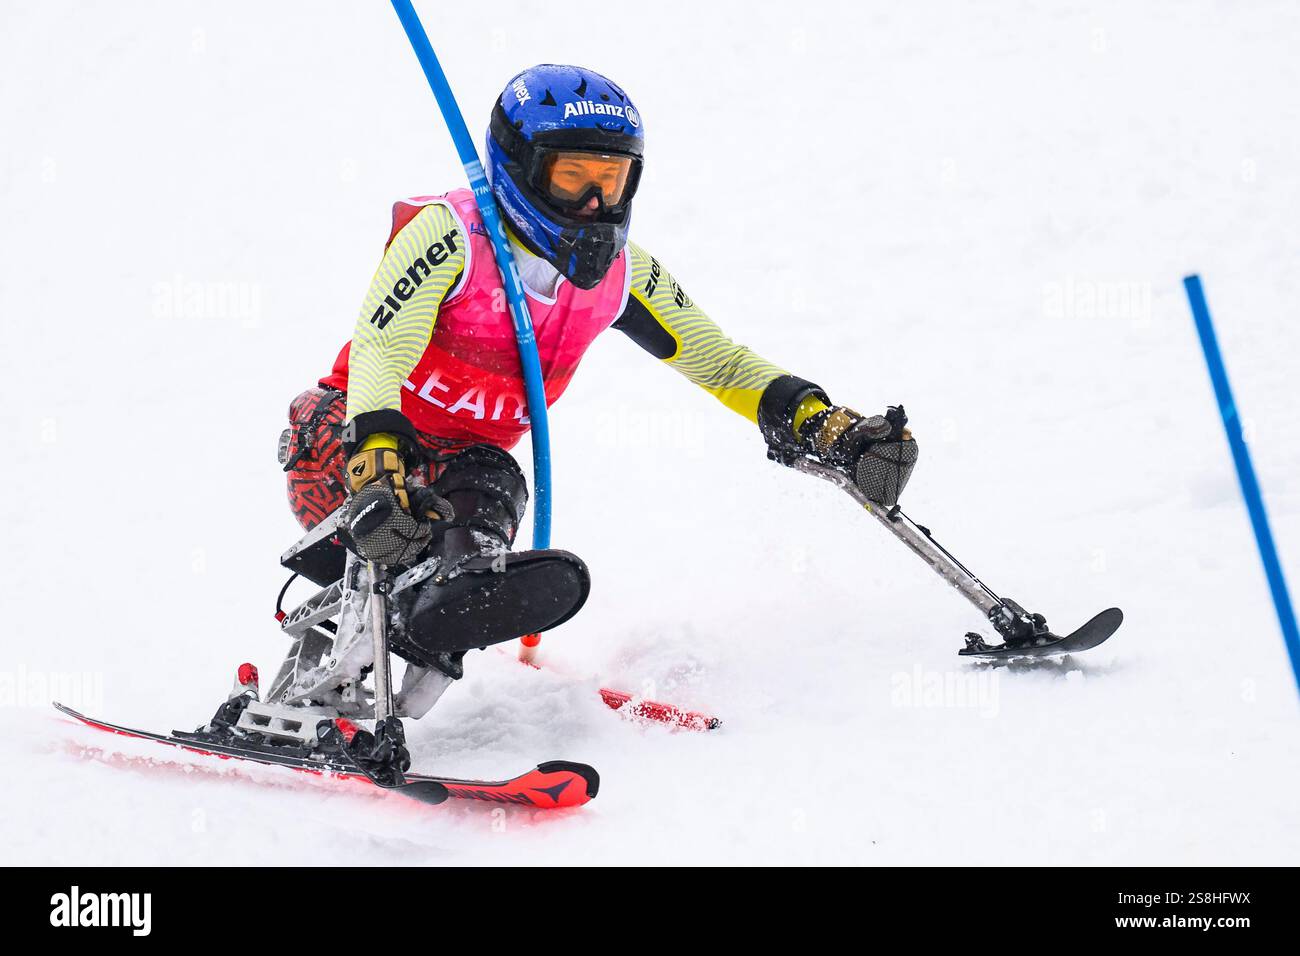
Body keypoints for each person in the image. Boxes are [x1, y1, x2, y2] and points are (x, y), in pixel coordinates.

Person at [279, 63, 917, 712]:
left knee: (495, 480)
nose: (594, 205)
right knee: (412, 502)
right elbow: (381, 350)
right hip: (347, 447)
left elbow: (719, 362)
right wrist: (379, 459)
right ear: (520, 168)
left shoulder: (619, 273)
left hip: (462, 471)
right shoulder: (449, 236)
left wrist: (818, 420)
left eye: (611, 181)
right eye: (573, 178)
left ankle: (452, 602)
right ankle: (404, 613)